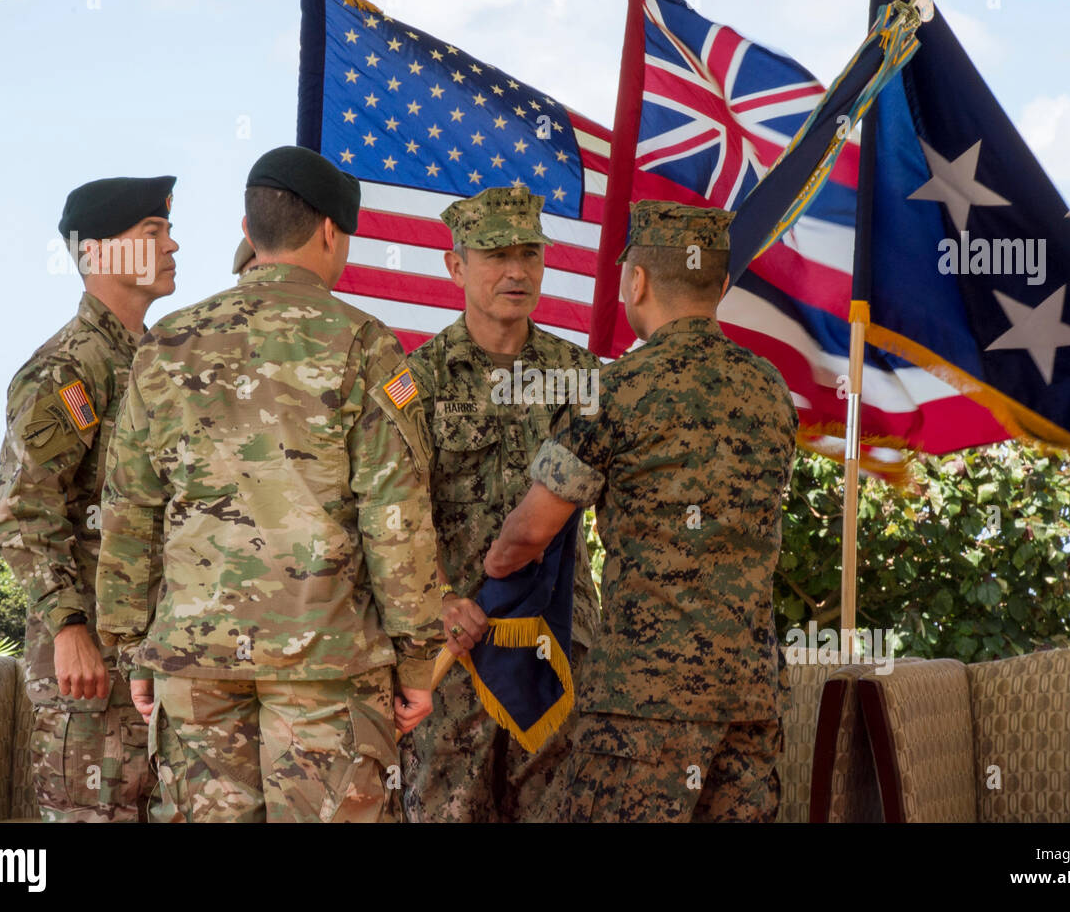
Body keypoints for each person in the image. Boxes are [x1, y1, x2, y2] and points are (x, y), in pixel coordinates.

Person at [95, 145, 443, 823]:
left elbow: (128, 511)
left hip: (193, 664)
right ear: (331, 233)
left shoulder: (164, 344)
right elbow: (395, 517)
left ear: (248, 232)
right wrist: (416, 660)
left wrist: (133, 648)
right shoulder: (363, 343)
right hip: (327, 664)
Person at [484, 199, 798, 822]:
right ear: (721, 285)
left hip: (644, 705)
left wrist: (492, 567)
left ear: (637, 280)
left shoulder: (617, 390)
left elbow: (531, 534)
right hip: (750, 698)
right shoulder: (771, 390)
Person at [401, 185, 602, 823]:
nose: (517, 271)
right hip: (452, 651)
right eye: (495, 254)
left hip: (555, 643)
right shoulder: (418, 379)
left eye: (530, 253)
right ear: (456, 266)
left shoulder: (580, 376)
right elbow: (389, 510)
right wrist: (436, 597)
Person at [0, 174, 179, 822]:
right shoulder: (69, 369)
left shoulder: (160, 366)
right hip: (90, 677)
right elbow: (20, 509)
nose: (174, 245)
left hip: (161, 668)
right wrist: (68, 625)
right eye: (154, 233)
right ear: (100, 255)